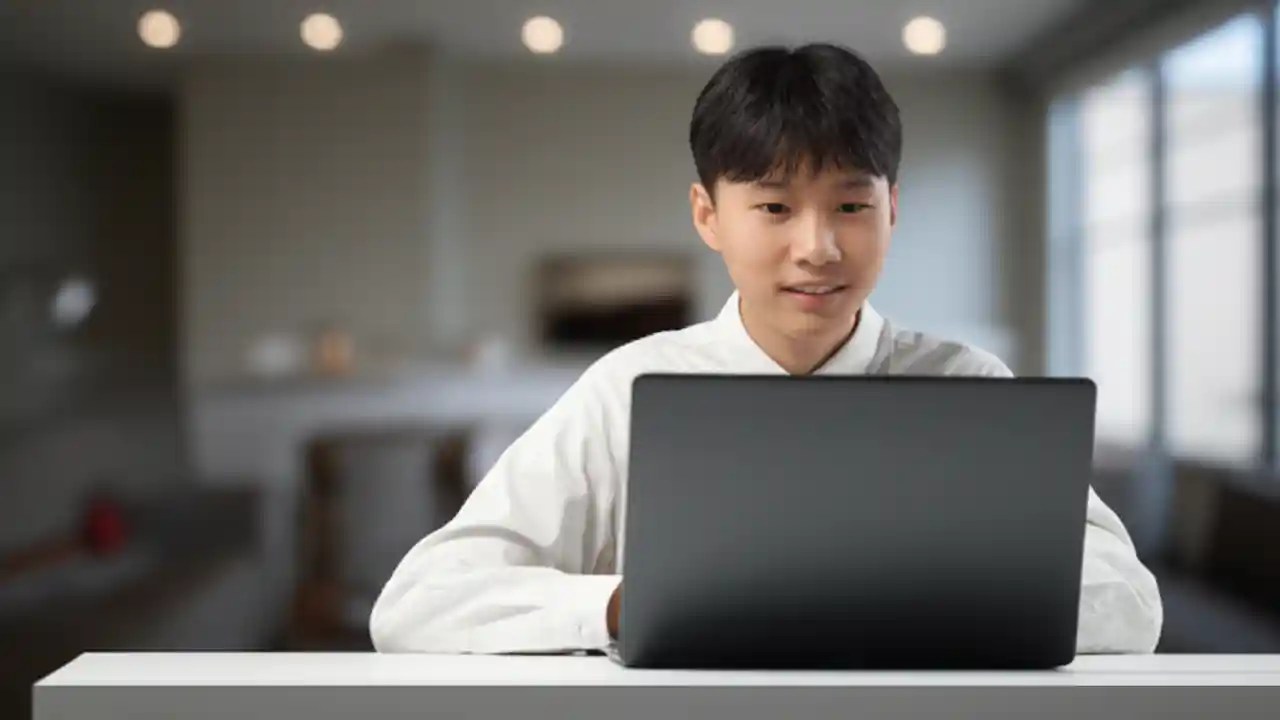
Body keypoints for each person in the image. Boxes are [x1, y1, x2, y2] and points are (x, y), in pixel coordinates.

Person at [369, 43, 1163, 655]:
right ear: (708, 215)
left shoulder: (968, 386)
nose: (817, 247)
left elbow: (1129, 601)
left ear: (894, 209)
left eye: (851, 203)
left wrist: (890, 596)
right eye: (775, 207)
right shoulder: (631, 387)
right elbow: (418, 603)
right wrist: (626, 602)